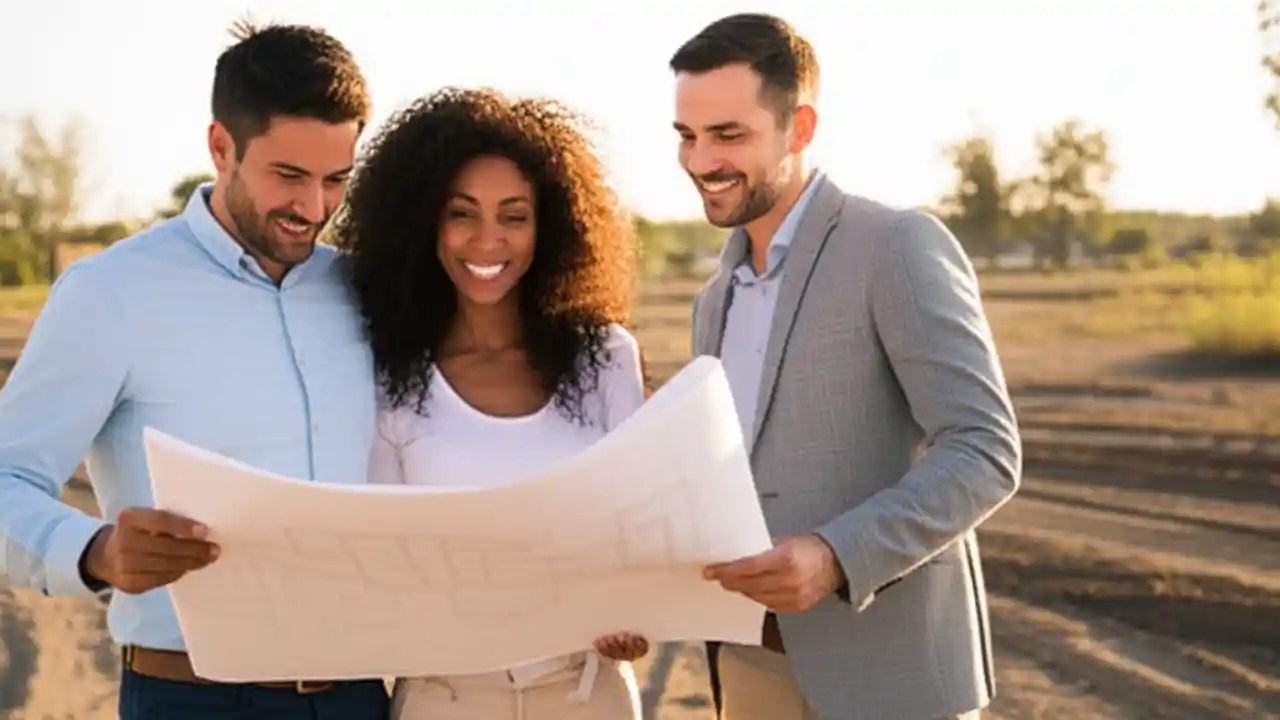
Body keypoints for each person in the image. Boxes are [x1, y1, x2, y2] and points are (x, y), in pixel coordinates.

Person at [0, 22, 390, 719]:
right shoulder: (109, 293)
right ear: (221, 147)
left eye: (337, 180)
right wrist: (93, 549)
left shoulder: (365, 293)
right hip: (190, 699)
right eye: (290, 176)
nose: (314, 208)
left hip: (358, 696)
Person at [669, 13, 1023, 720]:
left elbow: (985, 451)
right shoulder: (715, 301)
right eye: (687, 135)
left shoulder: (895, 245)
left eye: (729, 135)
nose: (700, 160)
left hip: (889, 676)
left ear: (799, 129)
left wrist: (835, 556)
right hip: (748, 666)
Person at [337, 87, 650, 720]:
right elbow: (384, 566)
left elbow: (640, 532)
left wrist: (634, 612)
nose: (487, 240)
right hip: (444, 697)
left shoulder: (606, 359)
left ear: (550, 226)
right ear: (423, 223)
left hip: (589, 694)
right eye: (462, 213)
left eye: (514, 215)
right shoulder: (388, 378)